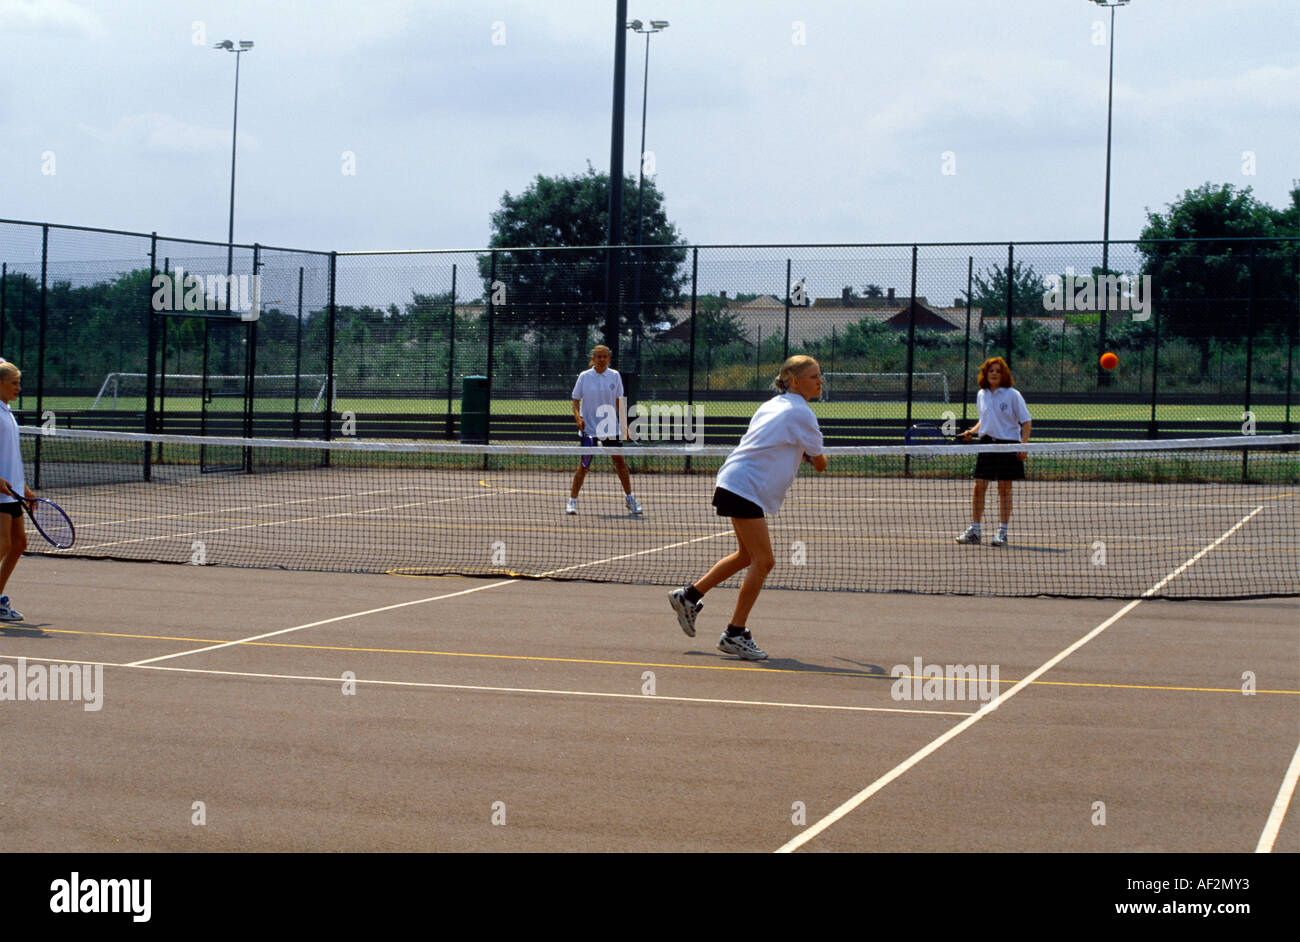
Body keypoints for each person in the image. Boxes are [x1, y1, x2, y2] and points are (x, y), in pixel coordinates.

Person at [668, 355, 827, 661]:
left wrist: (801, 450)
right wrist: (810, 453)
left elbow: (774, 442)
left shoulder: (772, 404)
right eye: (813, 377)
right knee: (764, 561)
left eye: (820, 376)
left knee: (746, 556)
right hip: (744, 487)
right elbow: (820, 464)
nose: (820, 381)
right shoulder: (802, 413)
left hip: (734, 482)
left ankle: (688, 596)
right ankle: (734, 633)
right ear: (795, 381)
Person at [955, 356, 1031, 547]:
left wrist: (1023, 445)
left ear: (1003, 374)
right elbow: (985, 419)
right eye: (991, 371)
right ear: (986, 374)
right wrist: (972, 431)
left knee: (1004, 488)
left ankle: (1002, 533)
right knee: (979, 486)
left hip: (1008, 445)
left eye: (998, 371)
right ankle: (975, 530)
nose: (994, 373)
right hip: (987, 444)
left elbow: (1026, 421)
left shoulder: (1013, 395)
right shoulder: (982, 394)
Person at [567, 344, 642, 516]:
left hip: (610, 428)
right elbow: (575, 399)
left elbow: (619, 402)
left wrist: (624, 426)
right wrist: (578, 418)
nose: (601, 360)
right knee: (584, 466)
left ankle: (630, 499)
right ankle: (572, 501)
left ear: (609, 359)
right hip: (589, 430)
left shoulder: (614, 376)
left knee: (620, 463)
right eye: (598, 357)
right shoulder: (584, 377)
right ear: (593, 359)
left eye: (604, 357)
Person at [0, 362, 34, 620]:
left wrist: (25, 487)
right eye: (14, 383)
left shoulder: (7, 412)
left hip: (12, 491)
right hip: (0, 492)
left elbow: (11, 456)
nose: (18, 388)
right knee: (3, 544)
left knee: (18, 544)